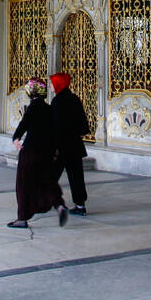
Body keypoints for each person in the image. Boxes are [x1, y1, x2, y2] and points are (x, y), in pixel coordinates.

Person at [8, 78, 68, 229]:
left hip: (31, 152)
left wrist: (16, 138)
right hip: (46, 151)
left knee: (23, 185)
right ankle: (59, 206)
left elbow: (24, 124)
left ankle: (22, 218)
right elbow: (54, 130)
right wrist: (55, 148)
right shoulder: (49, 109)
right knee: (47, 182)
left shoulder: (33, 107)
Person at [50, 72, 90, 215]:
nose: (50, 87)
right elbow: (84, 125)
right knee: (76, 177)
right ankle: (80, 206)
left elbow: (53, 127)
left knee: (51, 176)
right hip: (74, 145)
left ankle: (44, 201)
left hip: (60, 147)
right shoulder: (74, 99)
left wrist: (53, 146)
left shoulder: (57, 102)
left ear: (58, 84)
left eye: (52, 84)